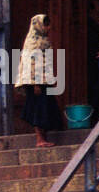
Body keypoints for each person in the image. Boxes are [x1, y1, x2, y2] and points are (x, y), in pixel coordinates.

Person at [16, 13, 64, 147]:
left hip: (43, 81)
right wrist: (36, 83)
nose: (48, 28)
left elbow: (45, 62)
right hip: (35, 82)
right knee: (38, 109)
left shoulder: (43, 40)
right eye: (46, 25)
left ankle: (44, 138)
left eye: (48, 25)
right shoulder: (33, 42)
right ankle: (40, 139)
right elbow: (32, 63)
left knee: (46, 107)